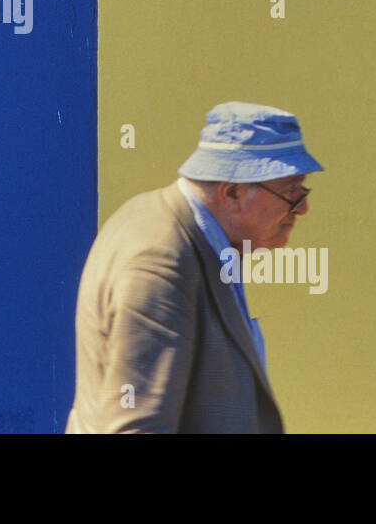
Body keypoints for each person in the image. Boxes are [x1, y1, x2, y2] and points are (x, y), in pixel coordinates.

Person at [65, 102, 323, 433]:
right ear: (232, 193)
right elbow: (139, 427)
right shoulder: (160, 261)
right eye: (291, 193)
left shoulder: (197, 238)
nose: (302, 208)